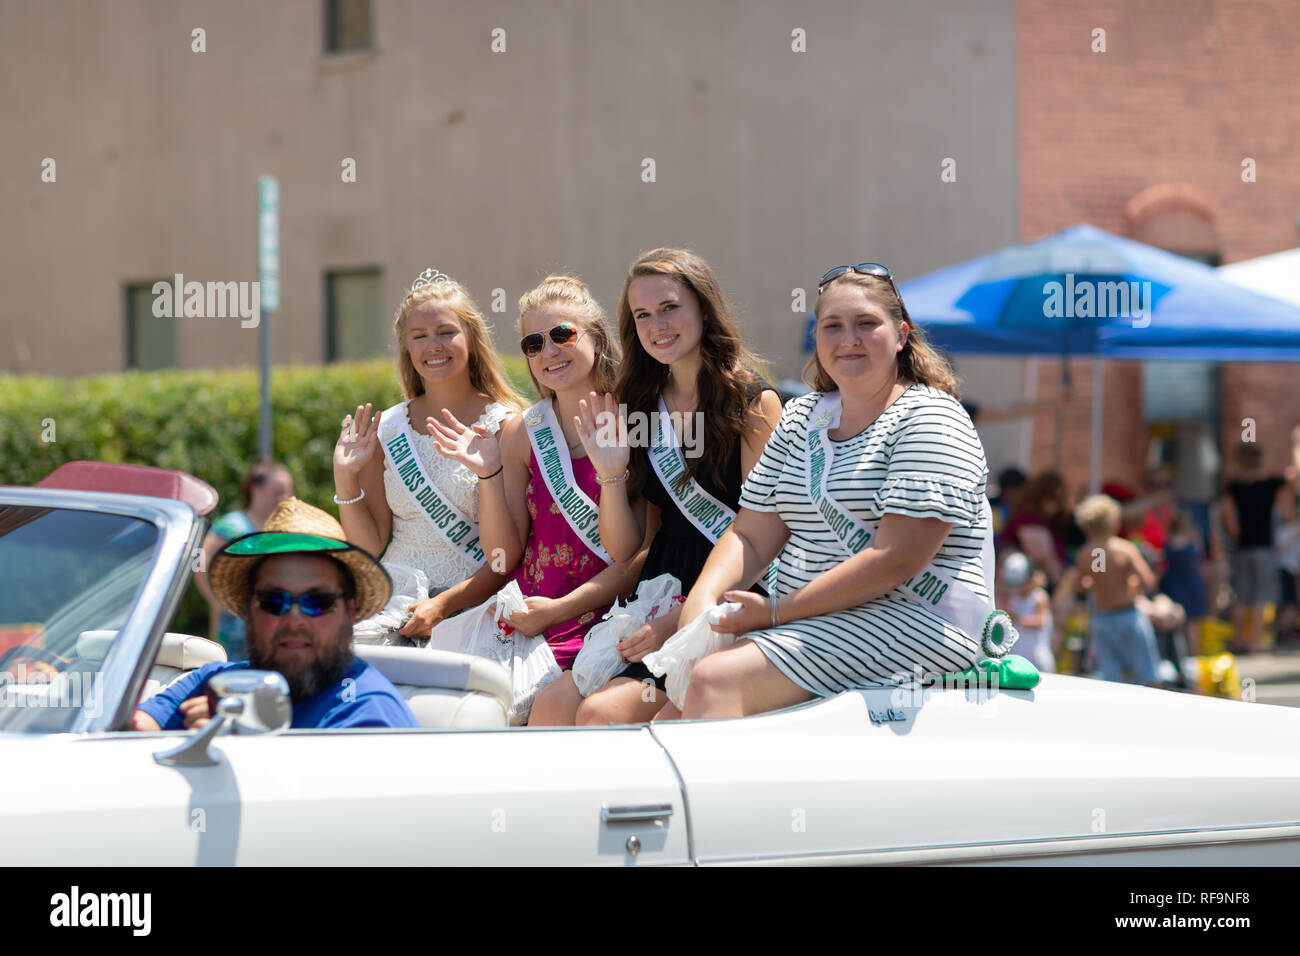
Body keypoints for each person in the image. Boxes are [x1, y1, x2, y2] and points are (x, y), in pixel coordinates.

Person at [654, 262, 992, 720]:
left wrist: (775, 613)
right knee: (668, 713)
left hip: (921, 621)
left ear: (901, 335)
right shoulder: (802, 418)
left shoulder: (931, 419)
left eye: (866, 324)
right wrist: (701, 602)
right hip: (813, 620)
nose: (848, 339)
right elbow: (752, 534)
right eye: (832, 326)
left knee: (718, 681)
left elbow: (897, 558)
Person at [528, 248, 783, 725]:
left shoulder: (752, 403)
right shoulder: (640, 404)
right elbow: (626, 548)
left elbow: (763, 538)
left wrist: (680, 621)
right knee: (551, 708)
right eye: (643, 315)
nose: (657, 324)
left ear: (704, 309)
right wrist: (609, 473)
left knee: (600, 715)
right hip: (657, 594)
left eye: (669, 307)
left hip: (732, 593)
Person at [428, 276, 644, 670]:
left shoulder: (636, 421)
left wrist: (558, 610)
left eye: (562, 334)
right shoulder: (522, 432)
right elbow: (502, 557)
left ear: (596, 338)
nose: (549, 351)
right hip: (527, 614)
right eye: (534, 343)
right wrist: (489, 474)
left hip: (606, 615)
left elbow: (633, 555)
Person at [332, 269, 526, 642]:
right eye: (419, 337)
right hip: (391, 603)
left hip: (471, 609)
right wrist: (345, 476)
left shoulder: (507, 426)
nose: (433, 346)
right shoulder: (388, 427)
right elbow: (369, 546)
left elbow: (506, 557)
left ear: (472, 337)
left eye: (446, 332)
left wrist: (443, 606)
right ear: (407, 348)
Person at [130, 498, 417, 731]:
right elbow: (127, 736)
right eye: (273, 601)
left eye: (318, 602)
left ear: (350, 613)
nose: (294, 619)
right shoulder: (214, 683)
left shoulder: (368, 710)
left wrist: (237, 747)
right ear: (247, 610)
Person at [194, 460, 294, 661]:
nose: (286, 497)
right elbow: (198, 560)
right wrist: (216, 601)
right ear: (255, 489)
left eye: (288, 491)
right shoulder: (232, 526)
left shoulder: (281, 527)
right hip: (234, 629)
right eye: (279, 491)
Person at [1068, 494, 1160, 687]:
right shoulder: (1125, 550)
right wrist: (1131, 583)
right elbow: (1148, 581)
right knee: (1147, 677)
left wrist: (1098, 581)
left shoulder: (1087, 553)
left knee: (1110, 681)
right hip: (1128, 616)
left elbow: (1079, 588)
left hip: (1102, 619)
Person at [1221, 440, 1297, 653]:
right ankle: (1255, 641)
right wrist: (1295, 446)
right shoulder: (1270, 484)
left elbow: (1231, 522)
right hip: (1264, 548)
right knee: (1261, 597)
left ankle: (1238, 640)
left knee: (1241, 595)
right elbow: (1293, 476)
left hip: (1241, 548)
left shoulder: (1233, 487)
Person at [1001, 472, 1069, 586]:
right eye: (1052, 498)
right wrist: (1062, 589)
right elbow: (1045, 559)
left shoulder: (1044, 522)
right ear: (1039, 496)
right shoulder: (1028, 520)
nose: (1057, 505)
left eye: (1060, 500)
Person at [996, 551, 1055, 672]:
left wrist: (1017, 618)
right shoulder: (1011, 596)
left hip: (1037, 658)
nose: (1017, 588)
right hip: (1017, 658)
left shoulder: (1039, 597)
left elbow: (1039, 622)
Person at [1160, 509, 1208, 655]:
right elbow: (1200, 558)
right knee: (1193, 625)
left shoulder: (1168, 542)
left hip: (1173, 584)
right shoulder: (1192, 540)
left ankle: (1182, 657)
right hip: (1191, 584)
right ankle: (1194, 655)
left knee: (1178, 624)